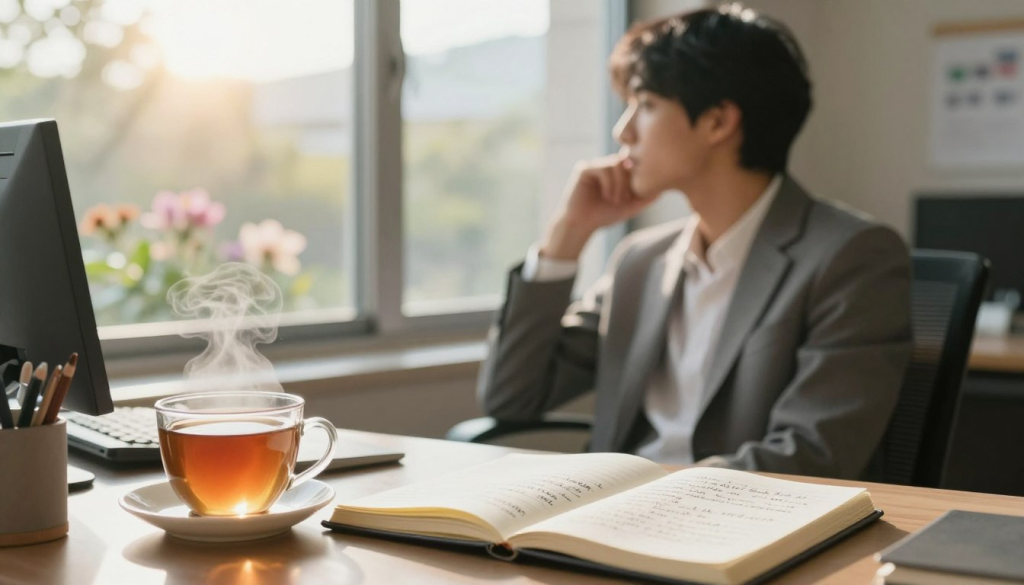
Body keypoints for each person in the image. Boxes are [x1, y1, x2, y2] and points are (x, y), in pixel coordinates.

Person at [476, 3, 912, 480]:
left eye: (646, 105)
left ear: (717, 122)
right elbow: (512, 396)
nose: (622, 131)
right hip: (615, 507)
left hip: (733, 515)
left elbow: (811, 455)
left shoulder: (852, 257)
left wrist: (653, 494)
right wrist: (567, 236)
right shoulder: (641, 260)